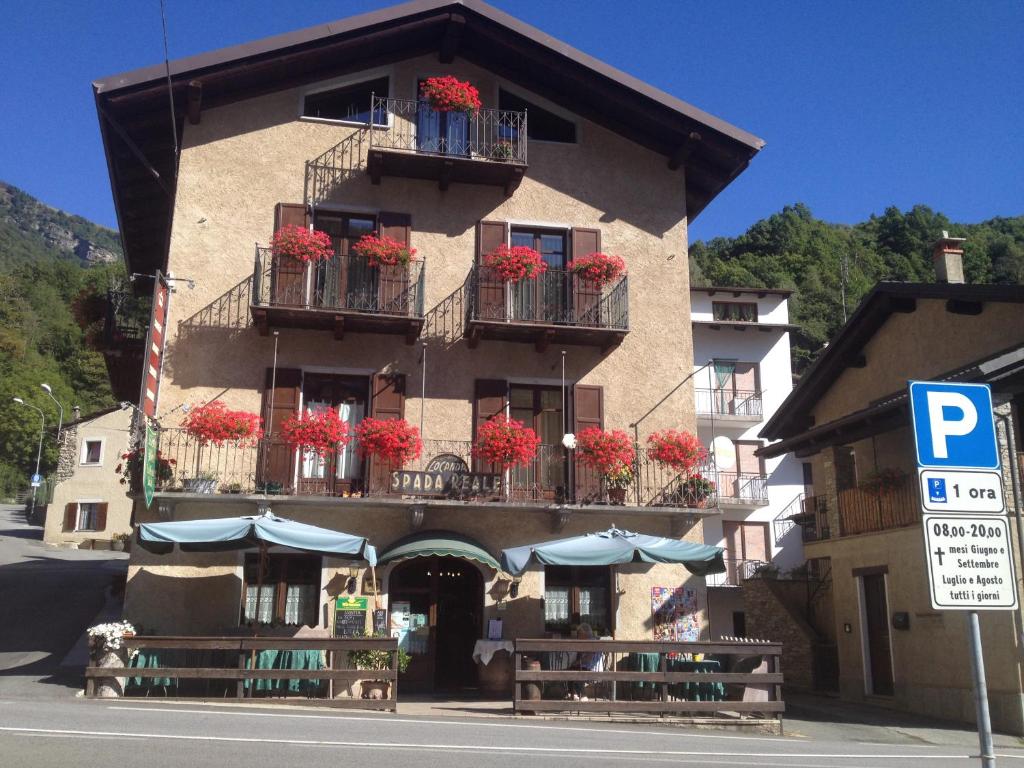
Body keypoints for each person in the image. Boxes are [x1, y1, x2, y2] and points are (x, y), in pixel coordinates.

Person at [570, 623, 603, 701]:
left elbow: (588, 659)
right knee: (572, 669)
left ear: (583, 634)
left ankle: (582, 695)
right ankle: (574, 693)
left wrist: (577, 662)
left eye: (579, 634)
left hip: (593, 669)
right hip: (589, 667)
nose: (578, 637)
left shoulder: (591, 642)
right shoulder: (592, 640)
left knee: (574, 670)